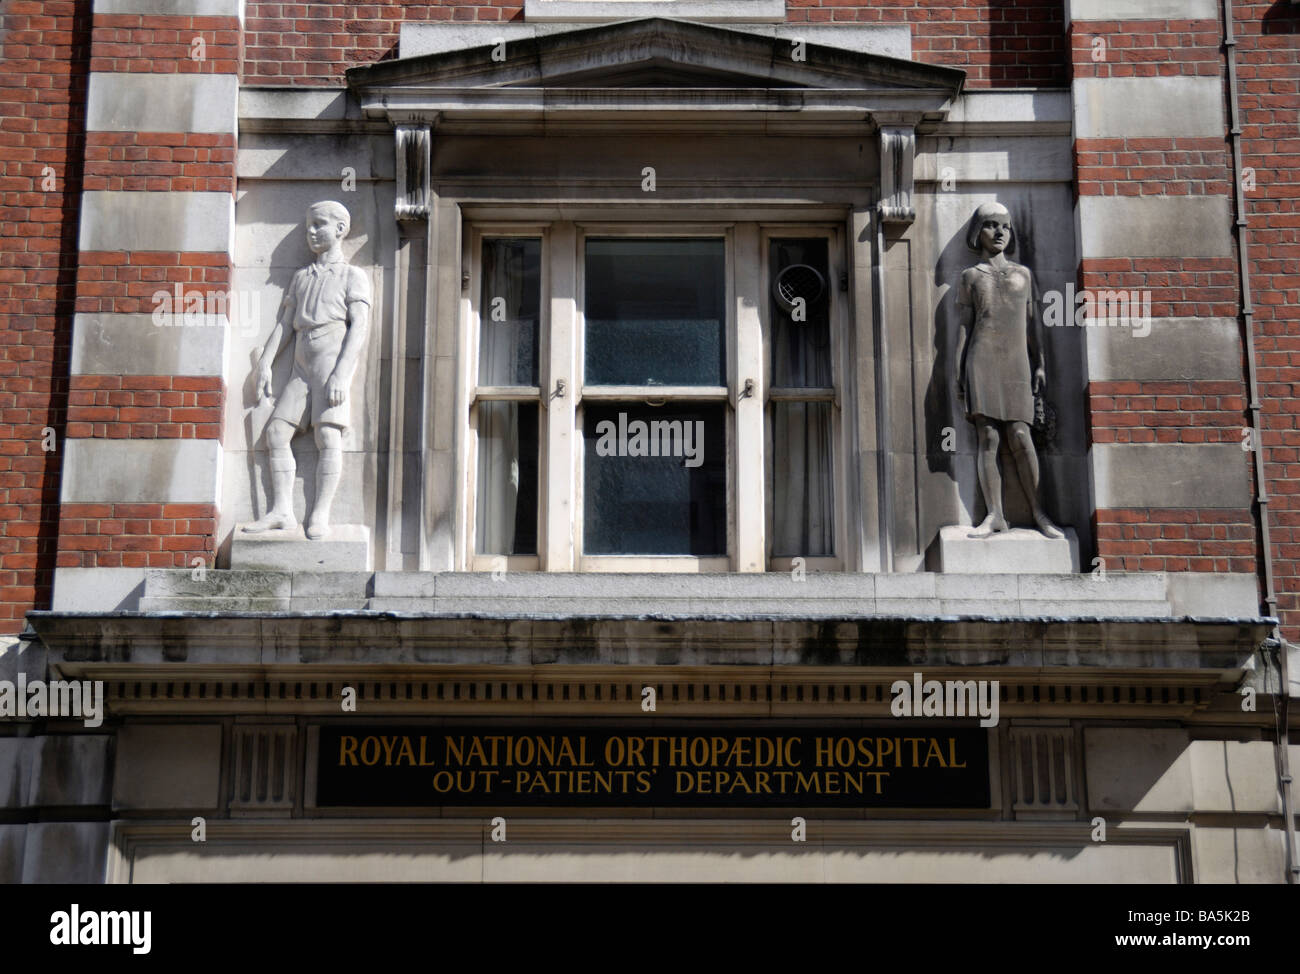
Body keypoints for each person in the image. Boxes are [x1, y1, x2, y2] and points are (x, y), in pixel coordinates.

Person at [243, 201, 371, 540]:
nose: (311, 233)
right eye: (308, 226)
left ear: (340, 230)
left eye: (319, 225)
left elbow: (359, 327)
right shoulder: (301, 277)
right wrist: (266, 364)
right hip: (301, 364)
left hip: (330, 363)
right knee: (276, 434)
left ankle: (320, 513)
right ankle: (282, 511)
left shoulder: (352, 276)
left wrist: (342, 375)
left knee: (327, 436)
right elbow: (285, 325)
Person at [955, 202, 1063, 540]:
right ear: (978, 232)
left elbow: (1034, 325)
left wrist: (1041, 363)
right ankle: (995, 515)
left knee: (1020, 435)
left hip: (1017, 362)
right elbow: (964, 328)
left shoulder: (1023, 274)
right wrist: (959, 373)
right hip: (981, 359)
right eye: (990, 225)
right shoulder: (970, 276)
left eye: (1005, 226)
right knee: (988, 437)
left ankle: (1039, 512)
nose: (999, 232)